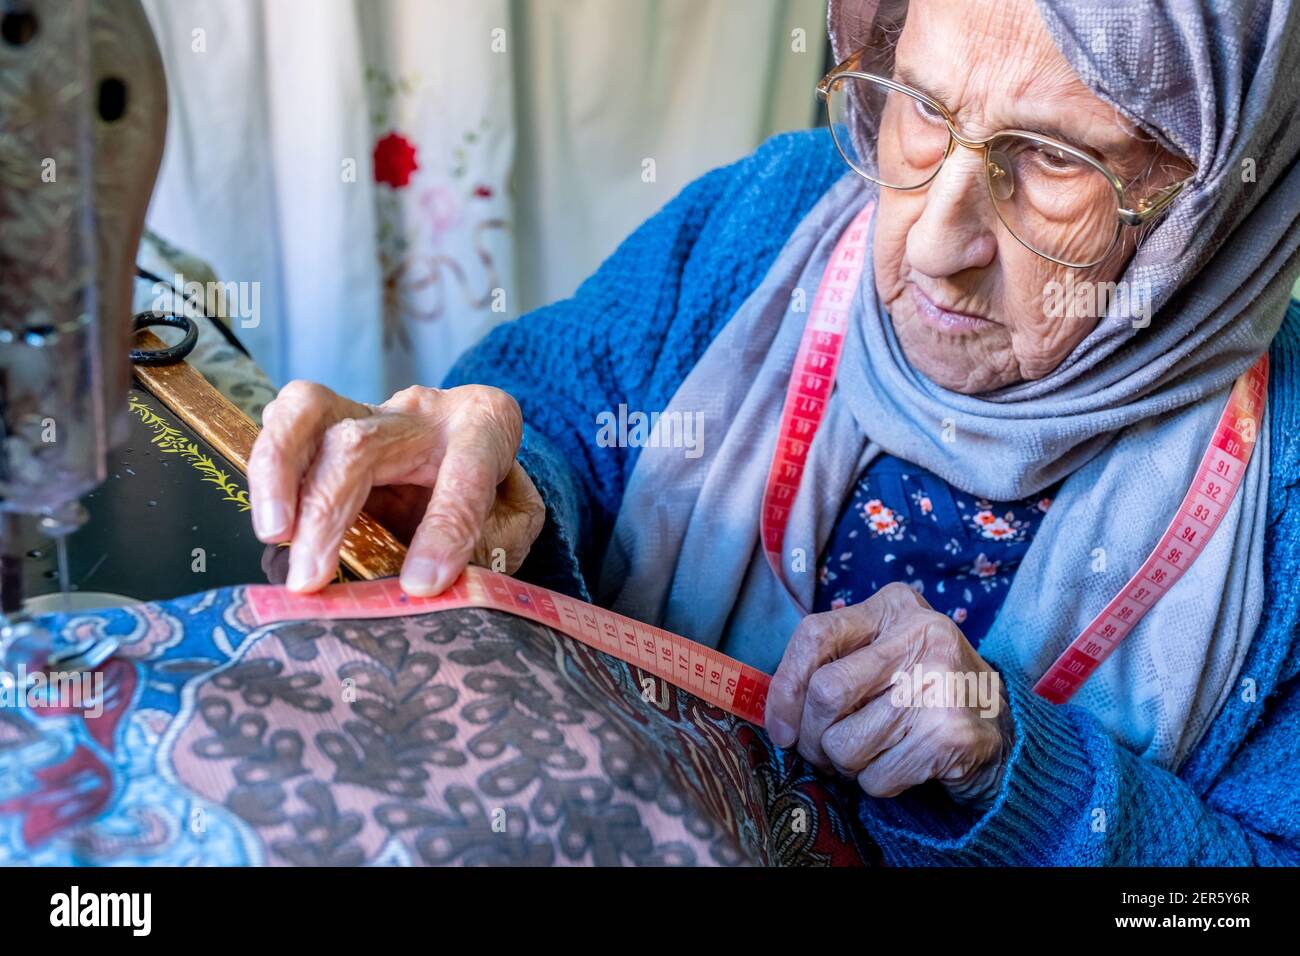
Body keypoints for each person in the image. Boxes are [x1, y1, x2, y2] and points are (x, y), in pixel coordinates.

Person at [247, 0, 1300, 864]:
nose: (935, 242)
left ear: (1204, 206)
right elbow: (560, 423)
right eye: (921, 108)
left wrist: (1020, 769)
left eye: (1055, 162)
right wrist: (497, 482)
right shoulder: (770, 214)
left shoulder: (1282, 480)